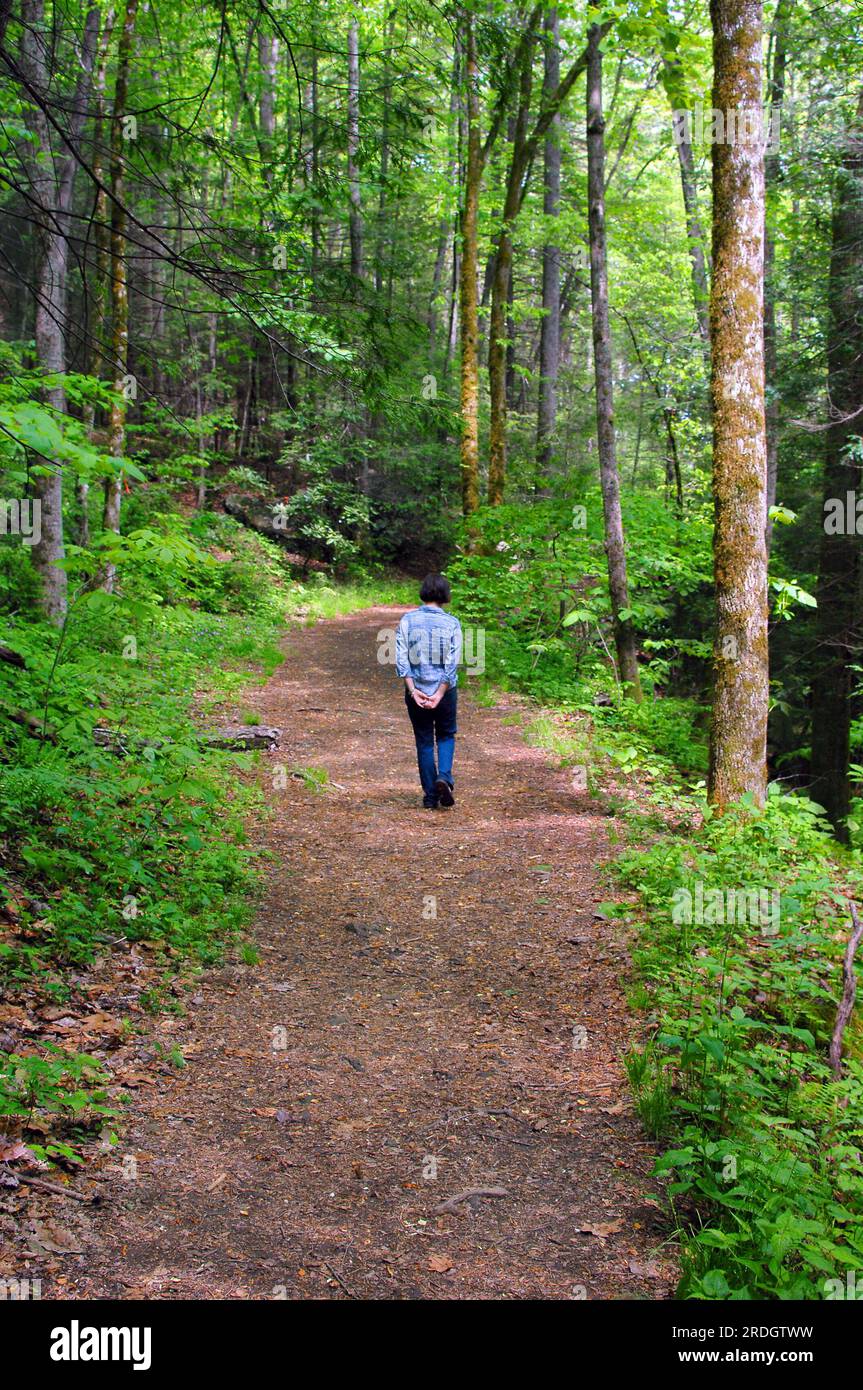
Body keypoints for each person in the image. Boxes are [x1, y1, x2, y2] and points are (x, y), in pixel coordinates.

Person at [395, 574, 462, 809]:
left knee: (424, 741)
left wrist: (413, 691)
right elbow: (452, 664)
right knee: (445, 734)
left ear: (423, 592)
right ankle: (444, 776)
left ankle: (431, 796)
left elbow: (401, 659)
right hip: (444, 691)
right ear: (445, 595)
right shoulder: (452, 623)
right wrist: (440, 693)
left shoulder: (407, 620)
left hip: (417, 690)